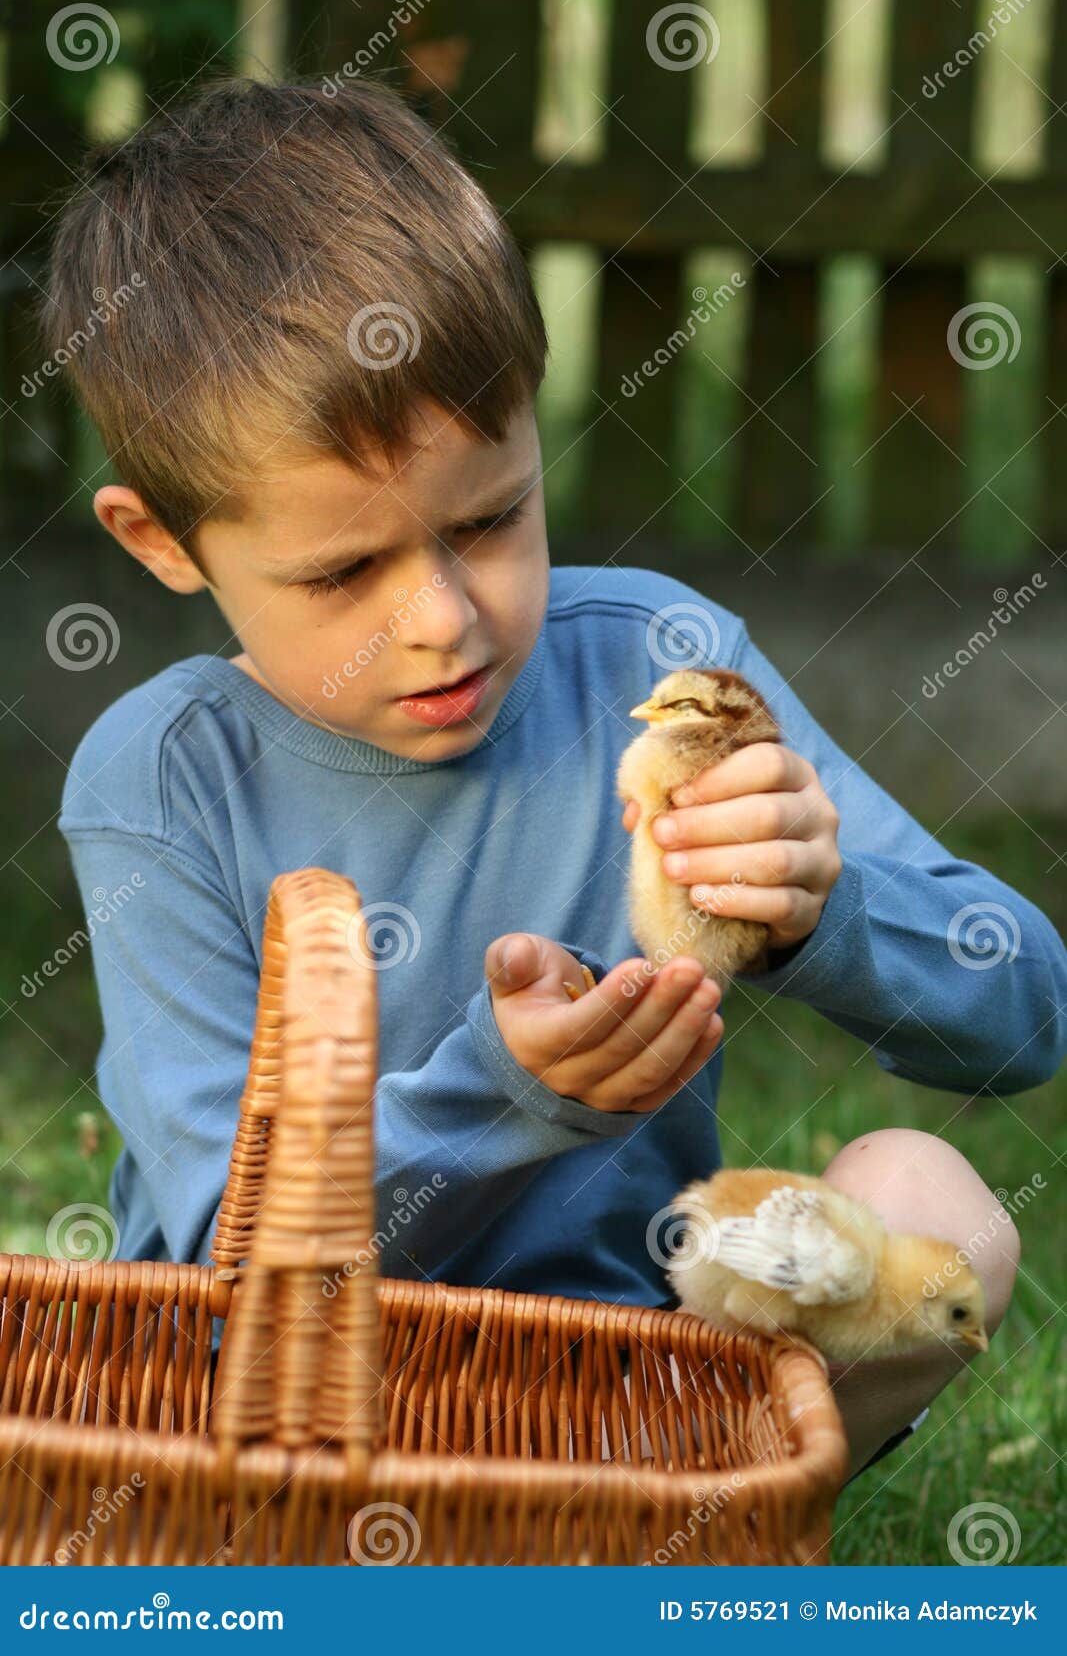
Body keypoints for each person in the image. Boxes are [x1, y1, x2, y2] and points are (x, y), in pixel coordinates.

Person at [49, 77, 1064, 1480]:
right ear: (161, 541)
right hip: (267, 1423)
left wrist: (824, 912)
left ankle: (682, 1525)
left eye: (490, 519)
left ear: (535, 426)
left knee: (935, 1202)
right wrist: (510, 1091)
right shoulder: (164, 782)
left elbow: (1024, 1013)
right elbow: (239, 1221)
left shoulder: (659, 666)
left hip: (613, 1393)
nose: (444, 620)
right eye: (343, 571)